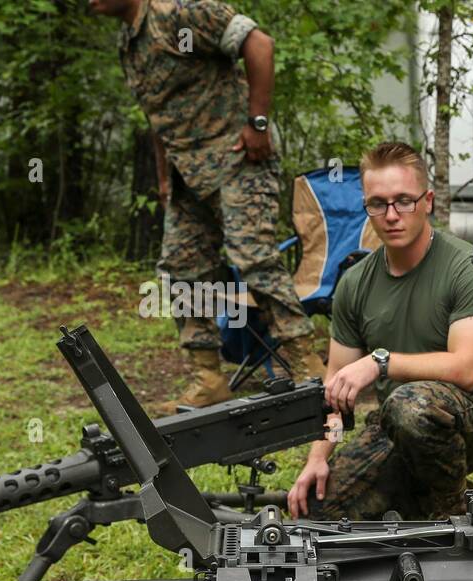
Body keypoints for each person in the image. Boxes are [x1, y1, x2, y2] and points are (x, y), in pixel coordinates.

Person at [92, 0, 324, 412]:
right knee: (180, 269)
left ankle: (307, 364)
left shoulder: (181, 12)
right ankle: (209, 378)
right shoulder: (128, 41)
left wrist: (258, 122)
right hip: (188, 174)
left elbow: (260, 44)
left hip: (239, 158)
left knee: (253, 257)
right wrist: (165, 177)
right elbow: (158, 114)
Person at [286, 142, 473, 521]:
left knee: (409, 406)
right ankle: (428, 496)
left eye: (404, 201)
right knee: (319, 512)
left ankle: (451, 514)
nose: (392, 215)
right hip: (396, 423)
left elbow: (468, 369)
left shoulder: (467, 268)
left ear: (428, 201)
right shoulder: (353, 284)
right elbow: (334, 393)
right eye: (378, 204)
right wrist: (317, 458)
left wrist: (381, 362)